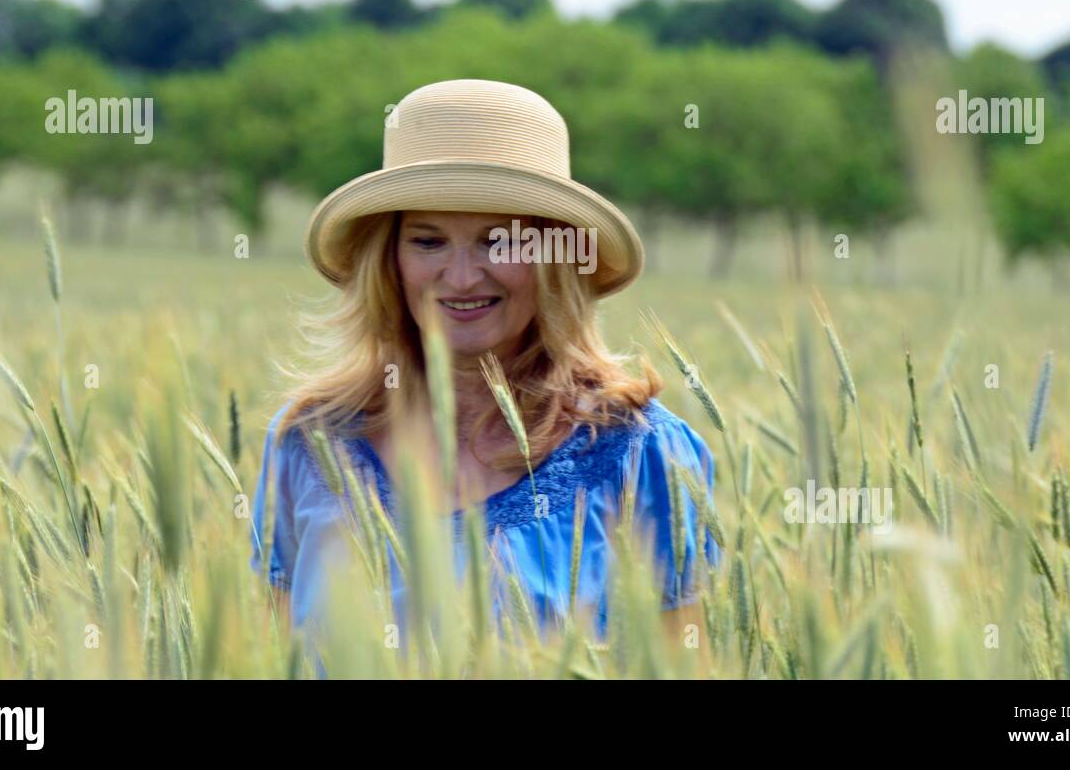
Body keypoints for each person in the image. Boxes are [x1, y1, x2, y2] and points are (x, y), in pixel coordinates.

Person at [250, 79, 720, 668]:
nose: (464, 276)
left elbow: (682, 664)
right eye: (429, 241)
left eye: (500, 241)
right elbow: (270, 657)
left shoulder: (639, 453)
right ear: (388, 259)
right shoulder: (309, 445)